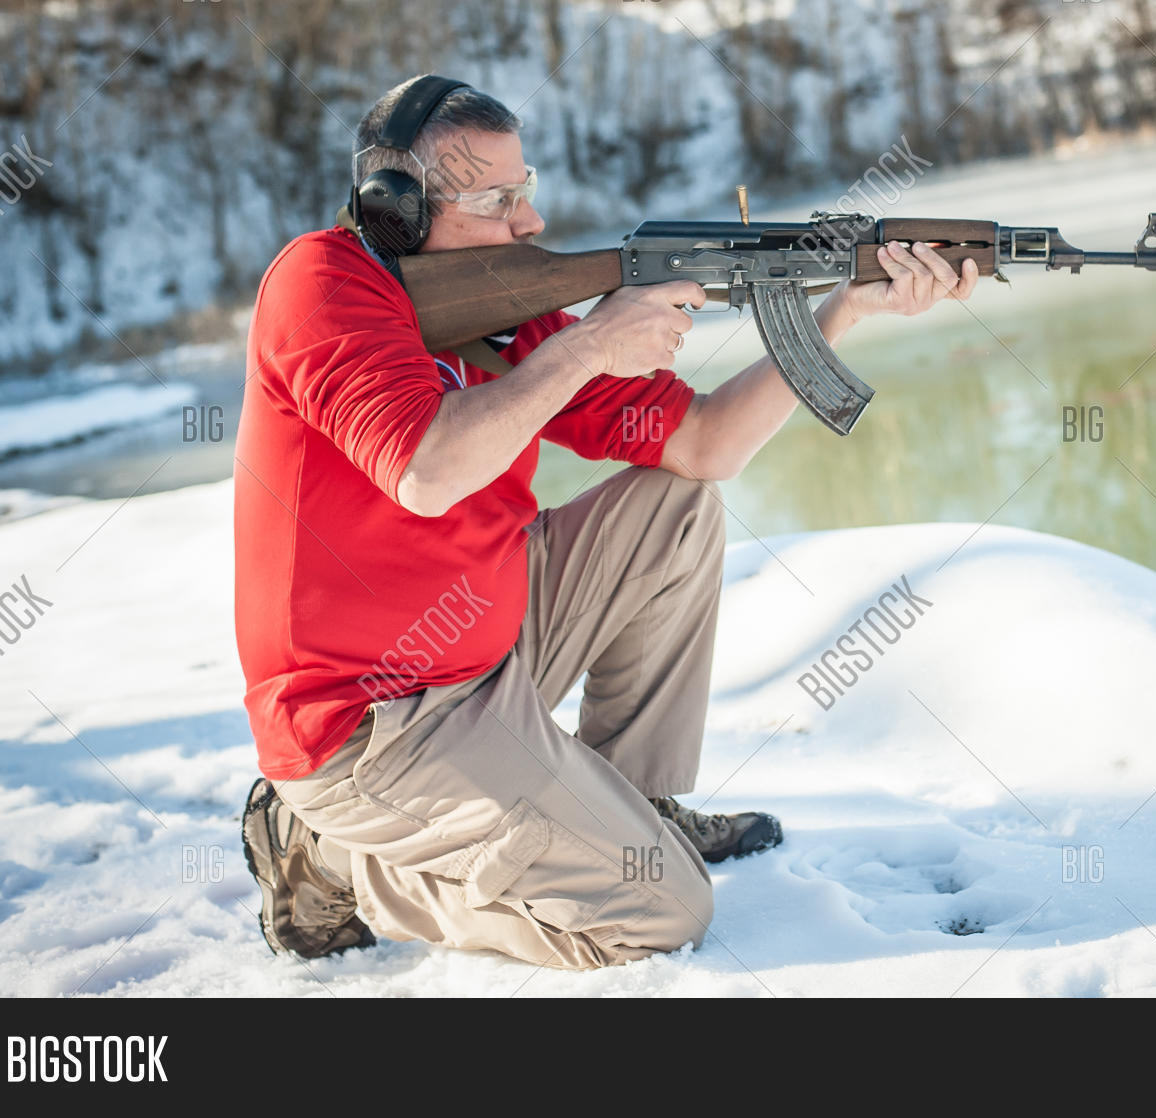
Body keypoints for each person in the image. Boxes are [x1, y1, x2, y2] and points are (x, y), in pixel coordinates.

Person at [235, 75, 979, 969]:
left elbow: (705, 445)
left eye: (529, 191)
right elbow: (427, 471)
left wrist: (844, 306)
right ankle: (335, 861)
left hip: (490, 648)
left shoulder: (505, 310)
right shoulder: (320, 286)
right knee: (662, 915)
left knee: (674, 507)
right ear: (395, 212)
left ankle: (637, 805)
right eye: (499, 201)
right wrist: (588, 345)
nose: (530, 224)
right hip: (374, 725)